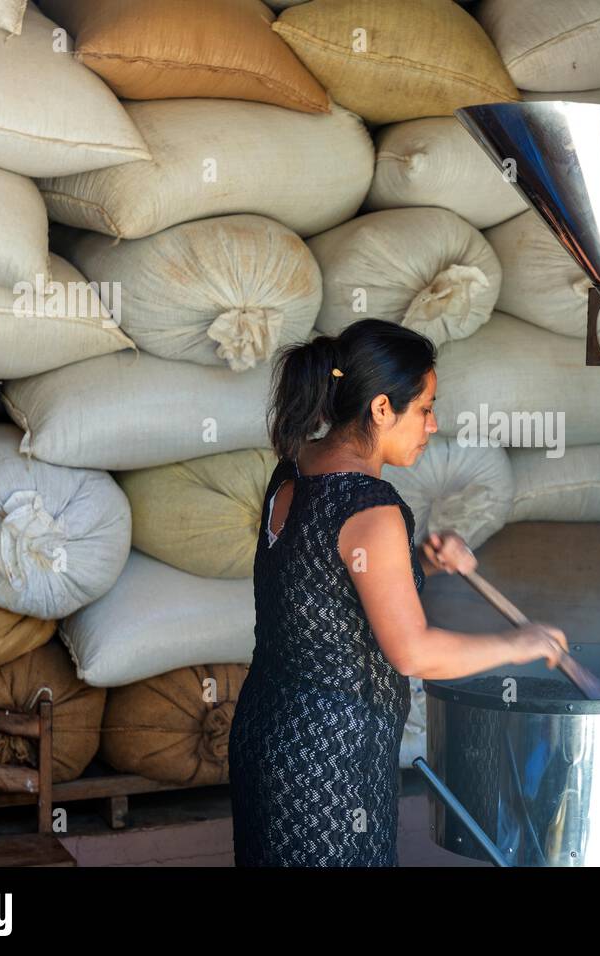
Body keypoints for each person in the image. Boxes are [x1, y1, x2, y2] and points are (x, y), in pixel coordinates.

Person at [228, 318, 568, 867]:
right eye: (426, 408)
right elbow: (410, 651)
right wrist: (520, 642)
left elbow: (324, 592)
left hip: (267, 733)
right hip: (331, 758)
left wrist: (418, 565)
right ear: (383, 408)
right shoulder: (371, 508)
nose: (432, 426)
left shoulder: (293, 472)